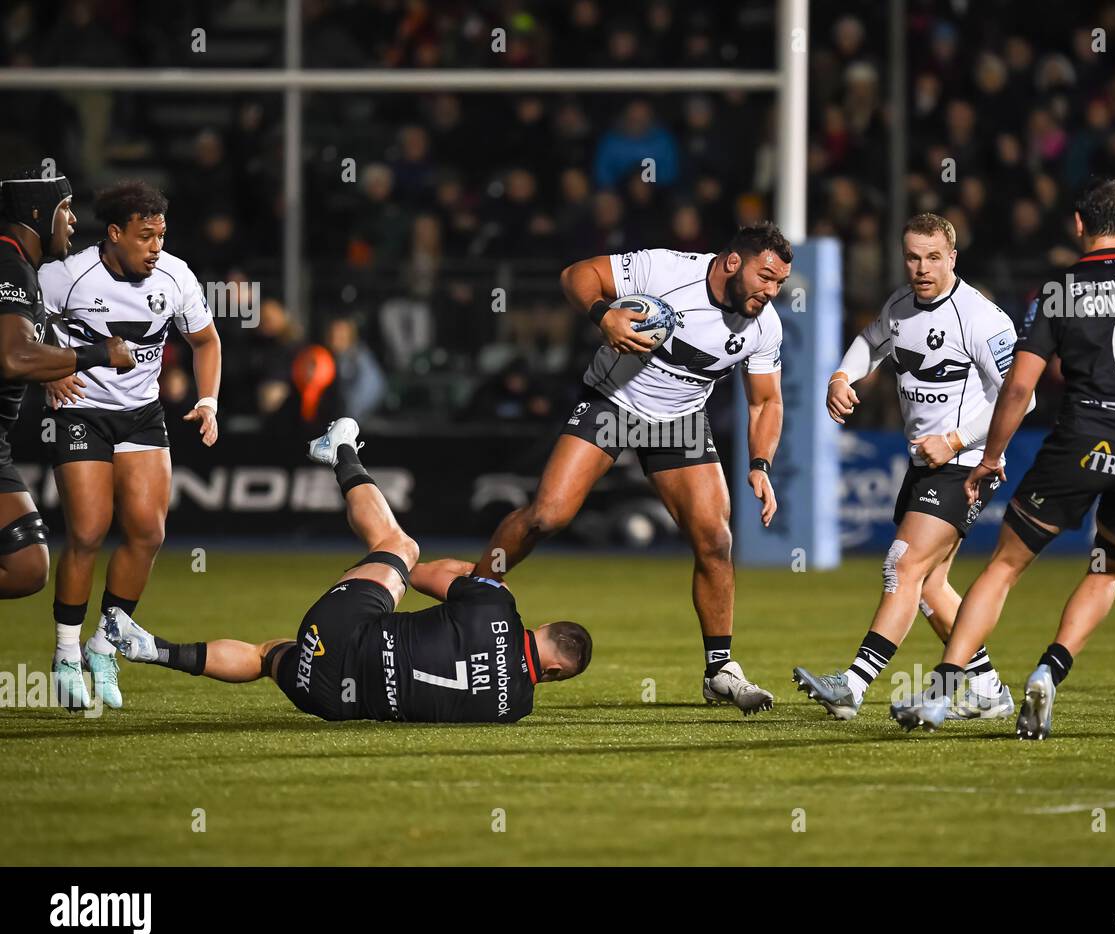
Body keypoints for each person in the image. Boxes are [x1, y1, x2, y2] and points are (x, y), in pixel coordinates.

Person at [891, 178, 1115, 739]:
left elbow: (1019, 387)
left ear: (1077, 223)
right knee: (1106, 570)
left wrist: (990, 456)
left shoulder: (1060, 290)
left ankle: (945, 689)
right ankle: (1049, 669)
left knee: (1004, 567)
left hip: (1081, 441)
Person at [473, 222, 791, 714]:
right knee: (548, 516)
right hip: (613, 402)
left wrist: (760, 463)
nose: (771, 292)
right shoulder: (665, 269)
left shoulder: (765, 325)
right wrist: (603, 315)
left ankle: (719, 670)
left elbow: (765, 402)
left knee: (716, 540)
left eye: (779, 284)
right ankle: (476, 594)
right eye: (765, 277)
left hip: (679, 421)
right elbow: (576, 274)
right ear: (733, 262)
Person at [105, 418, 592, 724]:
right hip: (331, 698)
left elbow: (429, 574)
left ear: (542, 629)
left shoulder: (497, 608)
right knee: (266, 655)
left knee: (400, 544)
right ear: (552, 673)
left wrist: (398, 573)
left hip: (346, 631)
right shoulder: (514, 711)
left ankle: (341, 450)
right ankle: (153, 649)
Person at [793, 213, 1026, 720]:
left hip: (965, 466)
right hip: (923, 463)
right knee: (930, 587)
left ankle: (853, 685)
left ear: (953, 259)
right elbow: (870, 343)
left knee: (901, 566)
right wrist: (840, 377)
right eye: (914, 257)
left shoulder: (983, 319)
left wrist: (957, 440)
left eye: (934, 257)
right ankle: (988, 690)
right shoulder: (900, 305)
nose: (922, 268)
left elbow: (1019, 399)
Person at [39, 180, 221, 710]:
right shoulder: (65, 275)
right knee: (89, 532)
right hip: (82, 412)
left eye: (161, 235)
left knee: (147, 531)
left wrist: (208, 400)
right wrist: (51, 369)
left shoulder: (176, 274)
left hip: (141, 415)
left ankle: (104, 643)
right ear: (114, 234)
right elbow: (20, 328)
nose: (156, 247)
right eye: (145, 237)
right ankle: (67, 651)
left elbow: (206, 339)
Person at [0, 164, 133, 609]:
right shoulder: (8, 264)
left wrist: (52, 358)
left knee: (25, 566)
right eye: (66, 209)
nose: (74, 220)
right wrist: (99, 354)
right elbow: (13, 356)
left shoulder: (21, 267)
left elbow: (26, 340)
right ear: (38, 214)